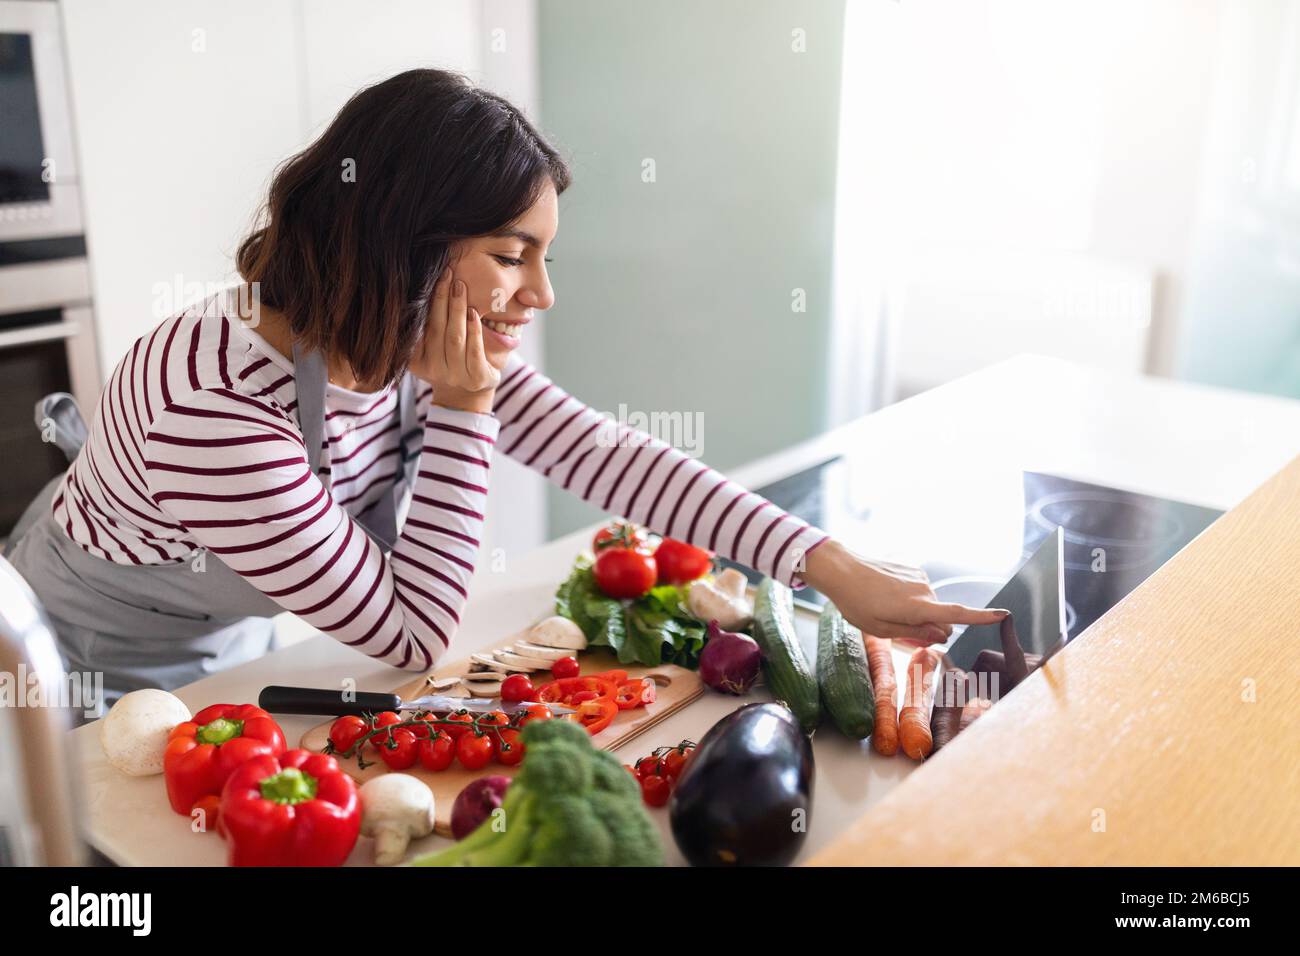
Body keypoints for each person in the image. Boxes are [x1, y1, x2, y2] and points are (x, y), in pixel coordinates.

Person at [4, 69, 1004, 710]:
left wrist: (832, 568)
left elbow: (608, 456)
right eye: (512, 255)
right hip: (89, 665)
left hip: (236, 631)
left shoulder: (395, 326)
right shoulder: (211, 410)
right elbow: (410, 635)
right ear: (408, 241)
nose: (542, 294)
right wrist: (467, 410)